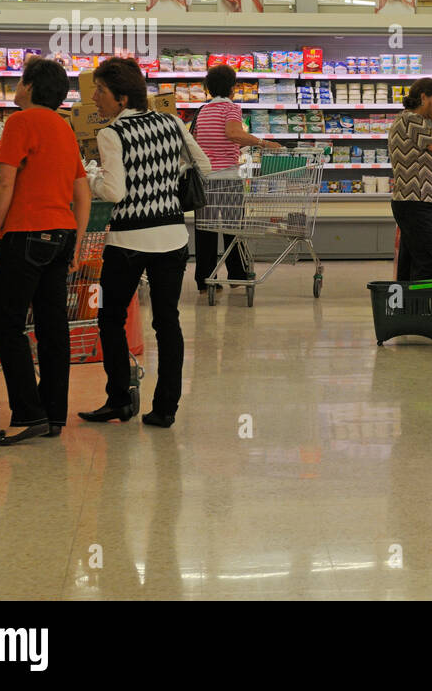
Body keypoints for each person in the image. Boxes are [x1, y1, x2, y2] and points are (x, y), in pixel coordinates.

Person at [81, 58, 211, 430]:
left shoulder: (111, 134)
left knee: (110, 317)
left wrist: (89, 177)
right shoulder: (171, 122)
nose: (94, 98)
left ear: (121, 97)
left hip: (126, 243)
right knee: (167, 321)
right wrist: (166, 180)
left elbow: (114, 191)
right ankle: (165, 408)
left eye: (100, 90)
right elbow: (204, 165)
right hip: (172, 238)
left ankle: (120, 398)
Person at [0, 58, 92, 447]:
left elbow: (4, 180)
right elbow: (83, 190)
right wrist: (77, 241)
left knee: (7, 324)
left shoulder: (21, 121)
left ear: (29, 87)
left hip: (27, 233)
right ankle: (52, 413)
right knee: (52, 326)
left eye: (19, 81)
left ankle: (28, 413)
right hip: (61, 234)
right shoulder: (64, 128)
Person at [192, 63, 282, 294]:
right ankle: (237, 275)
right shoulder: (231, 108)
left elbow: (201, 141)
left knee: (206, 231)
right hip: (227, 178)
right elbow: (232, 133)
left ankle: (204, 280)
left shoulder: (202, 110)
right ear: (232, 88)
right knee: (234, 228)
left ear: (208, 88)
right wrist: (263, 143)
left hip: (205, 179)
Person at [387, 78, 432, 281]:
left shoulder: (410, 120)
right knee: (428, 262)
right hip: (417, 204)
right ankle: (423, 309)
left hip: (413, 203)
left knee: (411, 261)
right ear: (423, 97)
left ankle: (407, 308)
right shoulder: (413, 121)